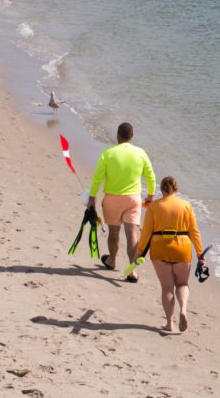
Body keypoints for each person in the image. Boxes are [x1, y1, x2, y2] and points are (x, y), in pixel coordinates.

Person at [134, 176, 204, 334]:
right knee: (182, 284)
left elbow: (146, 232)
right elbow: (194, 232)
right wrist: (200, 253)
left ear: (162, 190)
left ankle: (169, 324)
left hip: (160, 248)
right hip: (182, 247)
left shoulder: (154, 206)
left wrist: (139, 252)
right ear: (176, 190)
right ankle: (184, 310)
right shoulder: (186, 206)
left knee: (167, 288)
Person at [86, 122, 155, 280]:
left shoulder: (108, 153)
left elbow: (98, 177)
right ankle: (132, 270)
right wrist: (150, 196)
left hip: (112, 199)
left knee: (114, 232)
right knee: (132, 235)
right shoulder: (140, 153)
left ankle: (112, 260)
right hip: (133, 199)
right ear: (132, 136)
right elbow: (151, 176)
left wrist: (92, 197)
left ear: (118, 135)